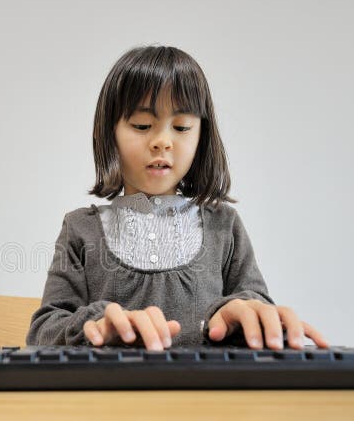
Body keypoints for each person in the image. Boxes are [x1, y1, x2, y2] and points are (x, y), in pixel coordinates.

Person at [26, 45, 329, 352]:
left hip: (210, 398)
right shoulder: (80, 229)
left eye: (182, 127)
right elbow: (44, 331)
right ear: (108, 134)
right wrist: (97, 325)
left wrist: (241, 315)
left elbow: (256, 306)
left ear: (202, 136)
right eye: (142, 126)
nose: (162, 141)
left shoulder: (224, 226)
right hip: (113, 398)